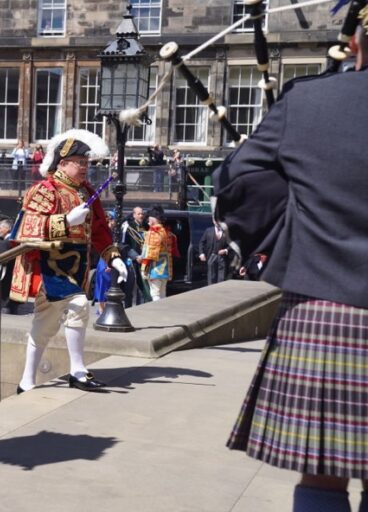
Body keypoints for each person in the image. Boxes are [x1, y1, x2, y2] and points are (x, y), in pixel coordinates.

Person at [218, 22, 368, 511]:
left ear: (356, 43)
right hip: (326, 301)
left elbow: (237, 178)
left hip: (326, 306)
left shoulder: (309, 103)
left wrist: (289, 232)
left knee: (323, 476)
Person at [10, 129, 127, 393]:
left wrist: (113, 256)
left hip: (76, 267)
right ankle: (28, 380)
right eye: (80, 163)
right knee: (46, 323)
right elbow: (25, 229)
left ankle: (76, 371)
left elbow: (98, 230)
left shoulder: (86, 191)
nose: (85, 168)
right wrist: (65, 221)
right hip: (48, 266)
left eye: (86, 164)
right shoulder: (44, 189)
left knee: (78, 308)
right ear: (63, 163)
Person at [140, 206, 173, 301]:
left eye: (149, 218)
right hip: (165, 268)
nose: (147, 220)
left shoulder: (153, 232)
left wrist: (143, 268)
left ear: (154, 219)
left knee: (155, 293)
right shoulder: (164, 231)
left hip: (155, 268)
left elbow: (150, 252)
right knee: (162, 293)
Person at [120, 206, 150, 306]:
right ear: (134, 215)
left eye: (142, 214)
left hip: (144, 262)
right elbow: (123, 244)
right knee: (130, 288)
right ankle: (128, 309)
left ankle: (141, 309)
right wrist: (135, 256)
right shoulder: (128, 226)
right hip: (132, 262)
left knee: (143, 289)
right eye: (139, 214)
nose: (141, 216)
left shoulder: (146, 226)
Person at [0, 219, 21, 315]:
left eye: (0, 228)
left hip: (5, 281)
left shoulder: (5, 243)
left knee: (5, 308)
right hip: (14, 280)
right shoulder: (16, 241)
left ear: (8, 229)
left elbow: (0, 262)